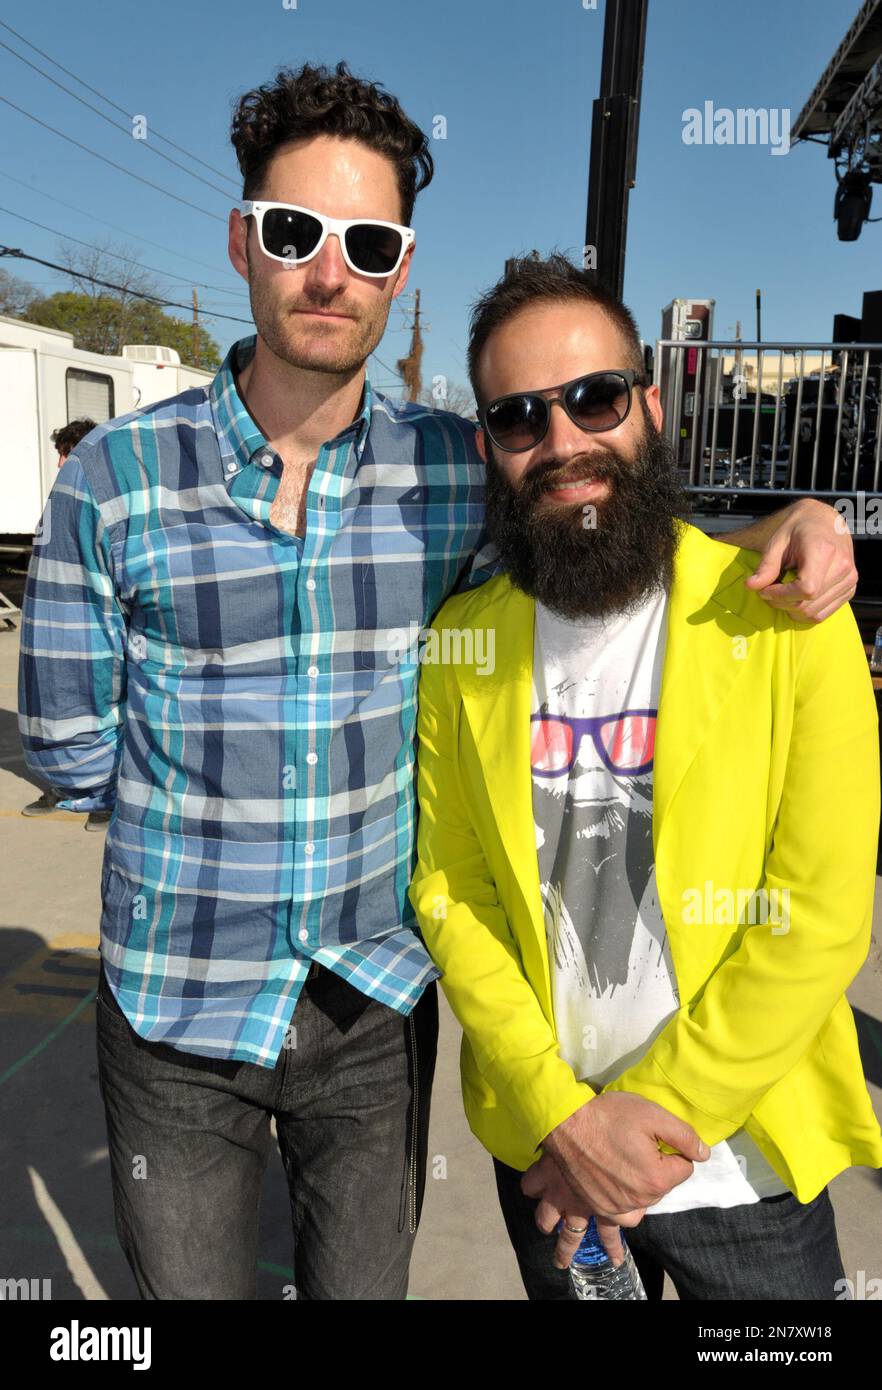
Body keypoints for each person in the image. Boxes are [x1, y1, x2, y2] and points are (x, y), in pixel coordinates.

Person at [17, 64, 858, 1302]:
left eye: (368, 241)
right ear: (246, 240)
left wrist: (784, 526)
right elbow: (73, 751)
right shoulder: (114, 483)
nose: (328, 271)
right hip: (181, 1010)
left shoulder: (449, 476)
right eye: (297, 233)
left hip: (376, 1021)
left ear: (399, 265)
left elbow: (601, 513)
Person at [409, 253, 882, 1301]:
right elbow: (451, 889)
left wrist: (640, 1134)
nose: (564, 441)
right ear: (489, 442)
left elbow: (821, 912)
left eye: (594, 398)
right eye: (521, 416)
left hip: (737, 1170)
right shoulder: (465, 644)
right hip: (551, 1157)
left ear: (649, 405)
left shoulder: (788, 617)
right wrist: (565, 1116)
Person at [22, 418, 108, 830]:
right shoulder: (63, 494)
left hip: (90, 623)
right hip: (52, 622)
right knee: (51, 705)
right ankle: (60, 783)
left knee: (101, 705)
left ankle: (106, 795)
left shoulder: (105, 493)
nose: (61, 464)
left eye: (66, 453)